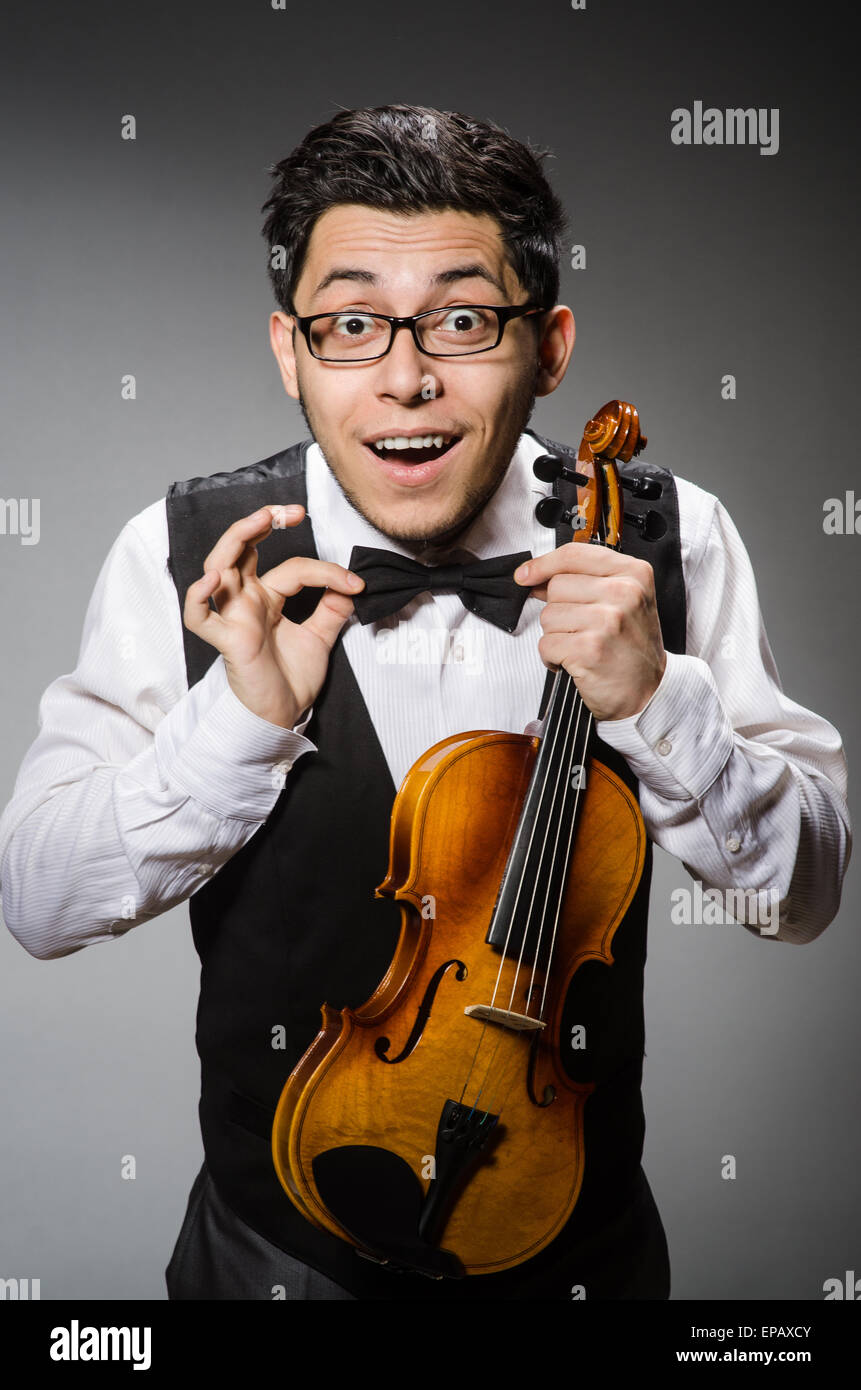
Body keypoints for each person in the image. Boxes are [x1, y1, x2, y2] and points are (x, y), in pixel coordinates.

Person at [0, 105, 850, 1301]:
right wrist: (236, 727)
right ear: (291, 351)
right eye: (352, 324)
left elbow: (804, 894)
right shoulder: (186, 553)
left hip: (577, 1250)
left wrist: (660, 700)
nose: (406, 379)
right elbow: (36, 899)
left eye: (462, 320)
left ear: (548, 347)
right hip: (271, 1258)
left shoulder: (669, 539)